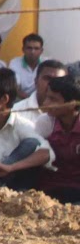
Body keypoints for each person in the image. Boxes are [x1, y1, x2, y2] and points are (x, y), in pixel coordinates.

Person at [36, 75, 80, 204]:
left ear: (72, 104)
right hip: (50, 188)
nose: (45, 103)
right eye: (47, 97)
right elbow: (34, 149)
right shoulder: (46, 122)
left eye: (53, 99)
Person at [10, 33, 44, 98]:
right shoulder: (15, 63)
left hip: (40, 99)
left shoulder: (46, 64)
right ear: (23, 49)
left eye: (36, 48)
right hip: (20, 99)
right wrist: (30, 101)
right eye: (29, 48)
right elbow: (15, 88)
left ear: (41, 51)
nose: (32, 52)